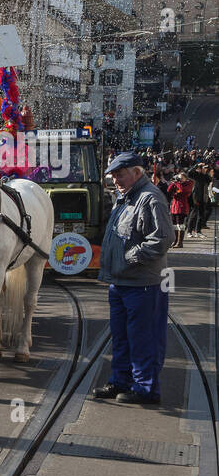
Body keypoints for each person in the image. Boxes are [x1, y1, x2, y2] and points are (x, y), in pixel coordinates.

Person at [94, 152, 173, 406]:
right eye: (113, 175)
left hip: (144, 284)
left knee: (143, 337)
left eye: (119, 174)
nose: (115, 179)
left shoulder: (150, 198)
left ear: (136, 173)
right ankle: (121, 380)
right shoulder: (125, 197)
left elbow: (162, 238)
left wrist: (131, 257)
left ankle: (146, 388)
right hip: (121, 283)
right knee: (121, 337)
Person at [167, 170, 192, 248]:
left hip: (182, 207)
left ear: (185, 178)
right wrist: (173, 182)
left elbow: (182, 190)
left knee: (180, 225)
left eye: (181, 178)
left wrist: (177, 183)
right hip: (174, 206)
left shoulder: (189, 184)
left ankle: (180, 242)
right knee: (174, 225)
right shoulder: (177, 183)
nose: (180, 179)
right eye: (179, 178)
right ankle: (175, 241)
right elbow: (168, 190)